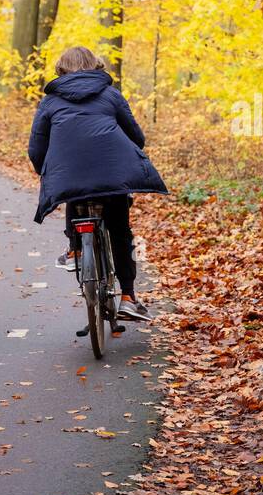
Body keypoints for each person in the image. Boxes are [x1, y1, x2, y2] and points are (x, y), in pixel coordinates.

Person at [28, 46, 167, 323]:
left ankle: (76, 250)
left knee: (74, 188)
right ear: (95, 65)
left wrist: (43, 170)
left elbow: (36, 146)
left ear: (61, 68)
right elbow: (136, 136)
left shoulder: (50, 102)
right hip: (113, 173)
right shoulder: (110, 94)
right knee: (120, 231)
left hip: (69, 174)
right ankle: (128, 297)